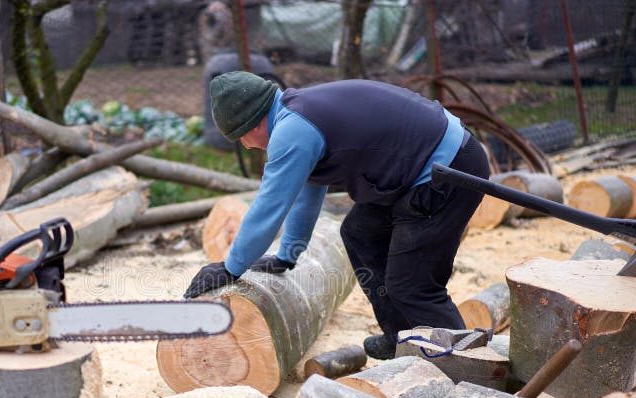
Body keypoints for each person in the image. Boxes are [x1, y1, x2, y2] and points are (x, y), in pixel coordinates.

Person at [183, 71, 490, 359]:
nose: (247, 147)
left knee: (413, 284)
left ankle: (467, 367)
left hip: (448, 170)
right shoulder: (296, 114)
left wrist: (231, 267)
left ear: (252, 124)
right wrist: (288, 254)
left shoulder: (292, 131)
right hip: (418, 169)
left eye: (240, 138)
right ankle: (404, 338)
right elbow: (308, 188)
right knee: (360, 234)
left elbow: (269, 206)